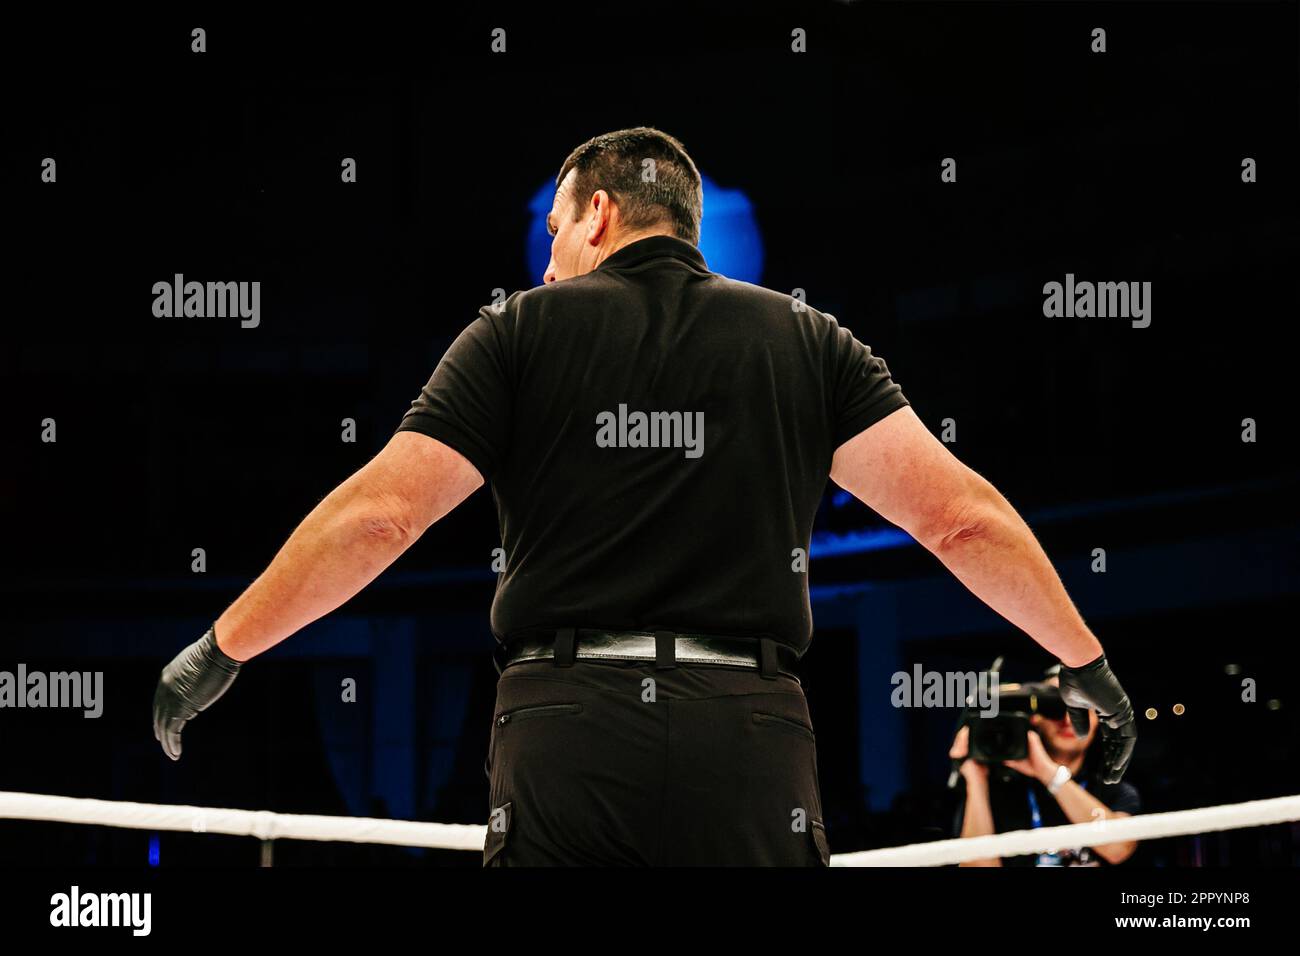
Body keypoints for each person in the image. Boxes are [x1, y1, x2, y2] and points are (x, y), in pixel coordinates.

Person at [153, 126, 1136, 866]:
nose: (545, 261)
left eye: (554, 230)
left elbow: (380, 516)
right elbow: (959, 518)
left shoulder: (517, 331)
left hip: (568, 727)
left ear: (598, 213)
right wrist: (1082, 657)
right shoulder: (804, 338)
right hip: (748, 736)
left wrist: (222, 645)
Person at [949, 669, 1142, 866]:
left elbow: (1118, 849)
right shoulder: (1000, 790)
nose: (1069, 719)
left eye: (1082, 708)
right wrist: (976, 780)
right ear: (1035, 718)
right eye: (1055, 707)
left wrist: (1049, 773)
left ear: (1096, 721)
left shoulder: (1113, 789)